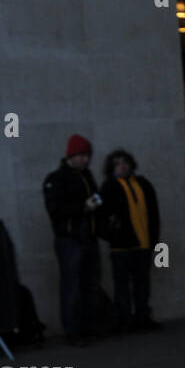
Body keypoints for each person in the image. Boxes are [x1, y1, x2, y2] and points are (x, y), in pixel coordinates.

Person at [42, 134, 103, 346]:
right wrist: (83, 207)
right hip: (70, 240)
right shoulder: (56, 179)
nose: (86, 160)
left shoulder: (86, 176)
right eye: (83, 155)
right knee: (73, 286)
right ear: (72, 155)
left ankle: (87, 327)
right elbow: (55, 211)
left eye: (88, 156)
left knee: (89, 285)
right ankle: (73, 330)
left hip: (87, 237)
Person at [99, 150, 161, 331]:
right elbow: (102, 217)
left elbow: (154, 215)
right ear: (112, 168)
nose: (122, 166)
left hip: (143, 244)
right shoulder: (109, 187)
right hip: (121, 247)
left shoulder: (143, 184)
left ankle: (143, 317)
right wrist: (111, 235)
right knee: (122, 286)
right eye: (117, 163)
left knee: (143, 284)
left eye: (125, 162)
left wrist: (154, 240)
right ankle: (124, 320)